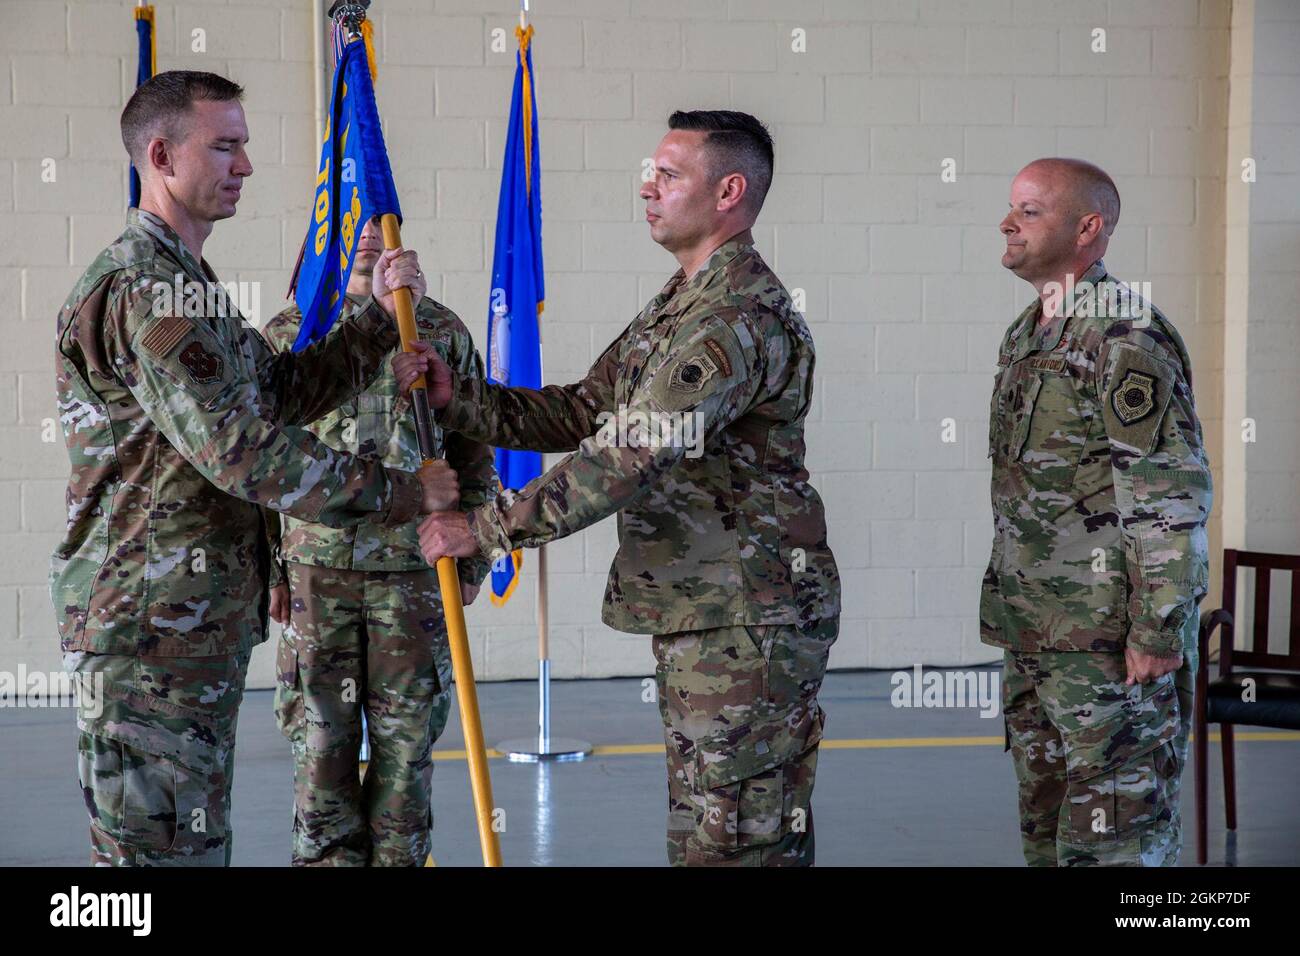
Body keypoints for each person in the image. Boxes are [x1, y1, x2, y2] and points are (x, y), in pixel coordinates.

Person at [406, 110, 841, 866]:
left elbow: (630, 453)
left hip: (746, 615)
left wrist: (487, 528)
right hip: (706, 606)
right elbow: (584, 409)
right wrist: (461, 399)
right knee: (708, 824)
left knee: (738, 837)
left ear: (729, 190)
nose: (648, 187)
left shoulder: (733, 317)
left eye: (669, 175)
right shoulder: (683, 302)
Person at [51, 70, 453, 865]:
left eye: (245, 145)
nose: (246, 166)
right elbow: (244, 451)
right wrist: (401, 493)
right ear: (161, 155)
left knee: (187, 841)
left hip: (186, 622)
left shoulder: (187, 284)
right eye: (225, 146)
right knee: (153, 860)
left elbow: (278, 394)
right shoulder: (148, 290)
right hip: (149, 624)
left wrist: (373, 318)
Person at [981, 157, 1212, 866]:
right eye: (1011, 207)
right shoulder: (1028, 334)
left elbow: (1167, 499)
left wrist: (1157, 630)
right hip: (1039, 635)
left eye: (1030, 210)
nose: (1008, 221)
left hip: (1113, 647)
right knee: (1051, 838)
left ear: (1089, 228)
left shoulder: (1125, 337)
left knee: (1119, 841)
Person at [262, 214, 497, 866]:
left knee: (406, 750)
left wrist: (476, 553)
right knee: (321, 749)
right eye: (352, 214)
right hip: (316, 573)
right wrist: (269, 572)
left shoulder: (440, 330)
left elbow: (475, 448)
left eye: (379, 217)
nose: (367, 231)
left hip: (414, 576)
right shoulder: (293, 330)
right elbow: (255, 460)